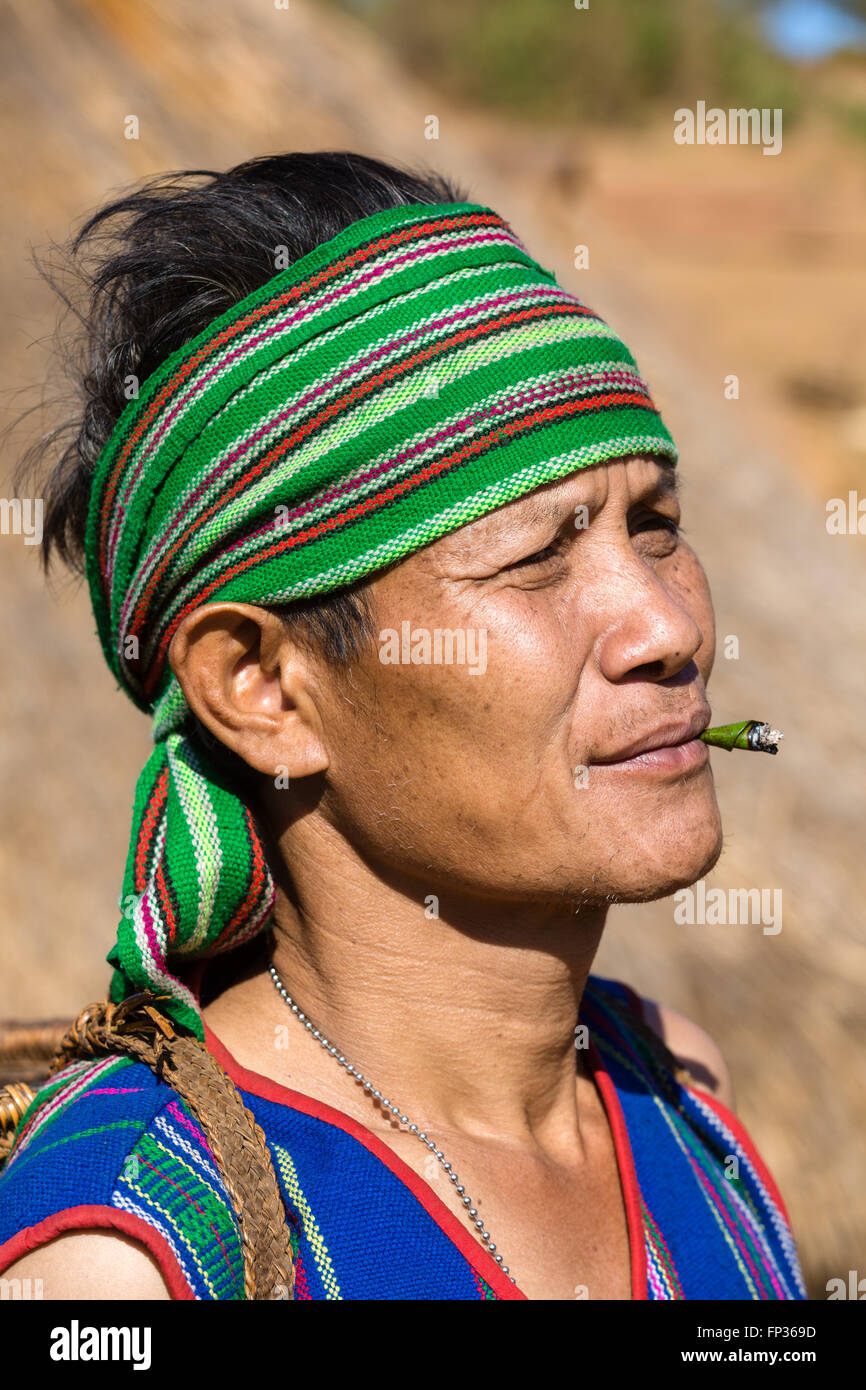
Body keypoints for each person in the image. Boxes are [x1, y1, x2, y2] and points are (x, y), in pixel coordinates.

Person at [0, 151, 806, 1301]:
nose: (664, 623)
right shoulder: (136, 1256)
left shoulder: (676, 1099)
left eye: (657, 522)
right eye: (535, 555)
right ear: (263, 690)